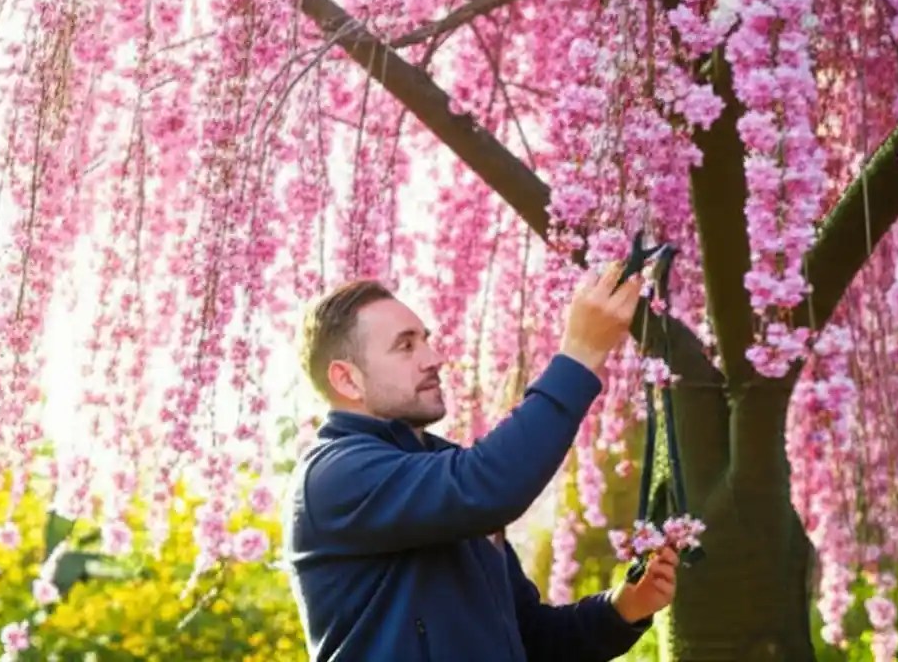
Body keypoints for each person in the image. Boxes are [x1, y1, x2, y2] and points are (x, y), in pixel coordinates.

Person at [282, 263, 678, 662]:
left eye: (426, 340)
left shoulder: (446, 476)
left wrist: (623, 607)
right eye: (405, 346)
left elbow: (530, 639)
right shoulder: (334, 475)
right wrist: (580, 354)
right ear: (347, 380)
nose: (434, 358)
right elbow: (486, 485)